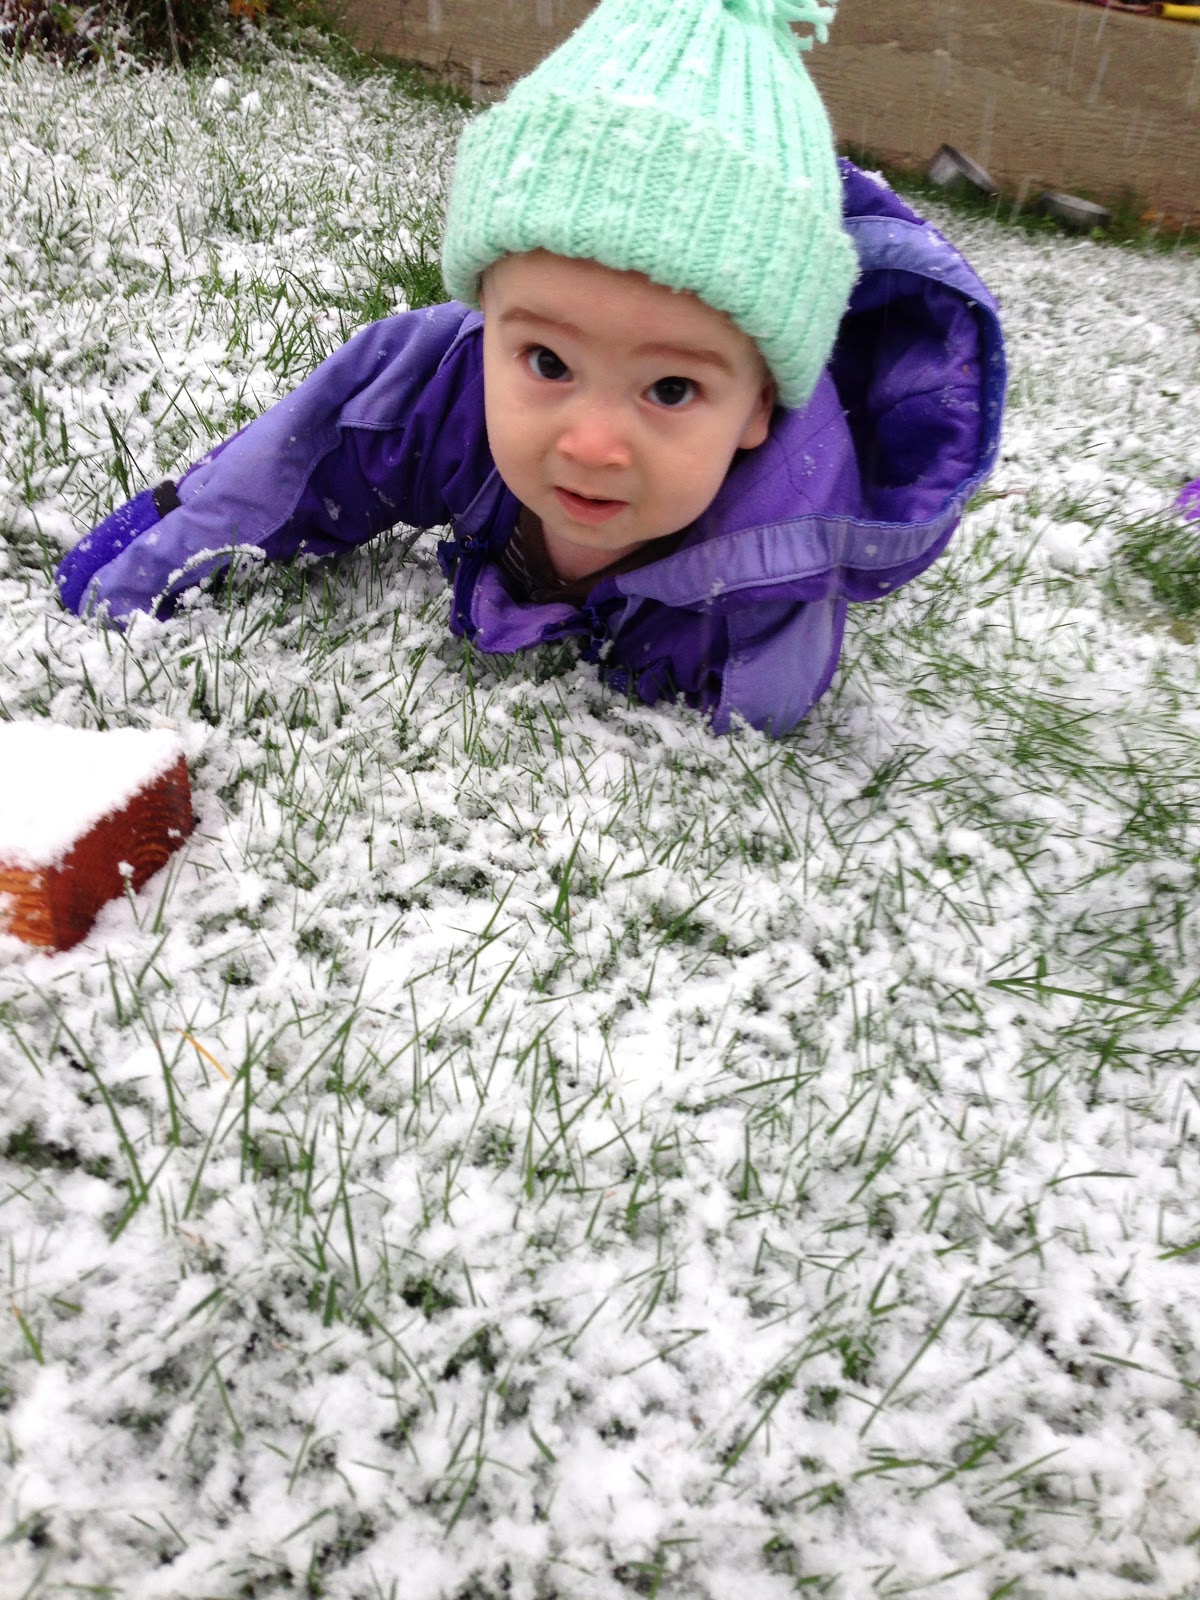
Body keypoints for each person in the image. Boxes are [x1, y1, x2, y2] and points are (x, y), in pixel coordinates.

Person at [55, 0, 1006, 736]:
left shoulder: (767, 584)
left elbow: (755, 740)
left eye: (671, 389)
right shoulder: (448, 393)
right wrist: (163, 544)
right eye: (547, 359)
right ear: (490, 319)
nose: (592, 443)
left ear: (761, 405)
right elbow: (308, 455)